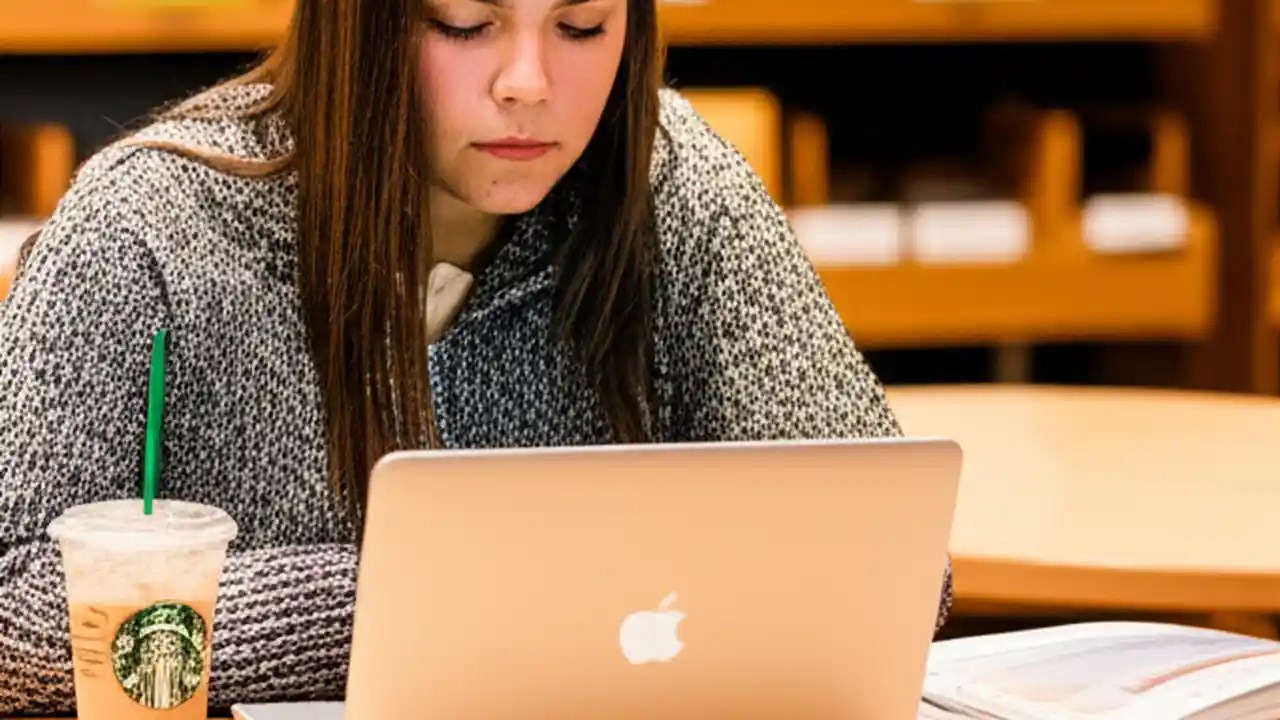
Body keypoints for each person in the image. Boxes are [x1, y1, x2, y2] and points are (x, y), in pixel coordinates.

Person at [0, 0, 952, 713]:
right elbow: (15, 613)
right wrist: (418, 601)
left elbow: (890, 564)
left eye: (582, 25)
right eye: (464, 23)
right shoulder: (143, 226)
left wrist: (505, 602)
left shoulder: (679, 187)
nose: (528, 82)